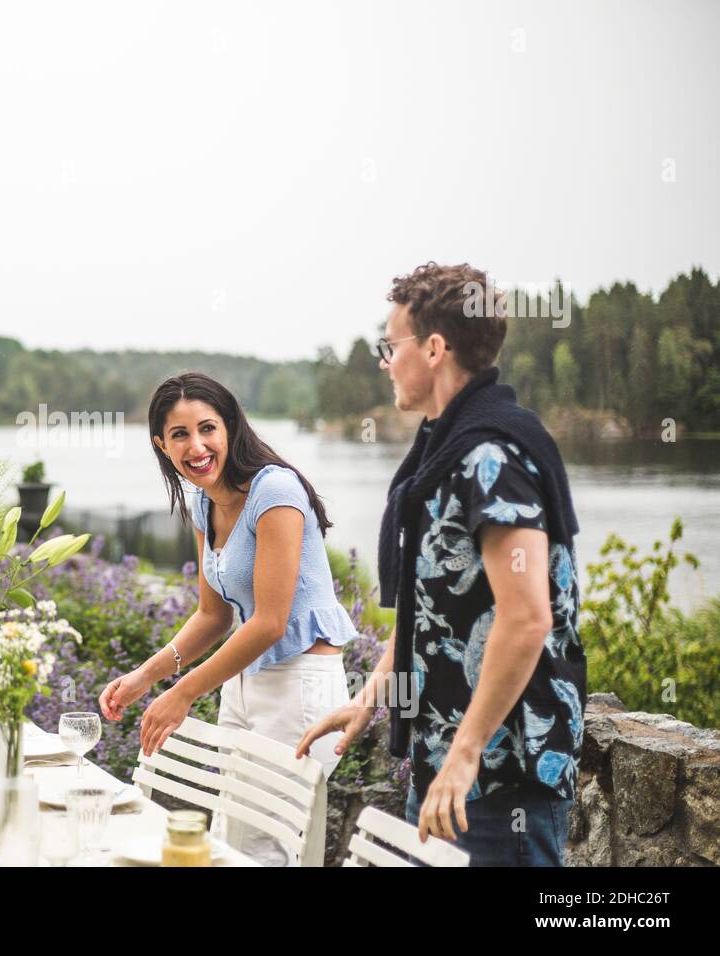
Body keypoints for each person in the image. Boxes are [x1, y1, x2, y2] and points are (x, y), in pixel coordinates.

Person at [298, 262, 585, 866]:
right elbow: (432, 610)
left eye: (390, 345)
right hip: (442, 768)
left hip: (499, 778)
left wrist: (465, 753)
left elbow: (527, 618)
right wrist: (372, 697)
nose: (384, 361)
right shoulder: (445, 449)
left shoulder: (493, 456)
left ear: (433, 349)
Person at [99, 372, 357, 865]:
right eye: (180, 435)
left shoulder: (275, 490)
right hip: (244, 684)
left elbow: (269, 623)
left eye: (207, 428)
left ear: (231, 427)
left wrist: (183, 692)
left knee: (264, 852)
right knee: (230, 844)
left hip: (300, 688)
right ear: (162, 445)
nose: (196, 446)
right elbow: (213, 615)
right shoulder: (204, 503)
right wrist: (146, 677)